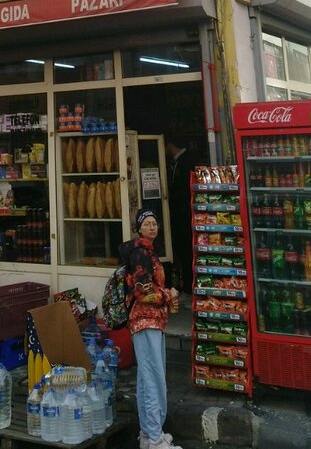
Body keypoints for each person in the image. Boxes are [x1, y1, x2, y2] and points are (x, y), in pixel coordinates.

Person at [119, 208, 181, 449]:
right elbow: (142, 292)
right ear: (139, 228)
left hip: (152, 321)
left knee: (148, 379)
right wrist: (168, 294)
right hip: (145, 322)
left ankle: (149, 434)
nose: (153, 227)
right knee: (153, 378)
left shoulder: (147, 252)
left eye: (155, 223)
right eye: (147, 224)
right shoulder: (141, 254)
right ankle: (154, 439)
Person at [165, 140, 195, 296]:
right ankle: (186, 284)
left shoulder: (187, 160)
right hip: (179, 214)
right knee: (183, 251)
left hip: (185, 213)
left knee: (187, 250)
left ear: (170, 145)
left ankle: (190, 285)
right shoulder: (176, 161)